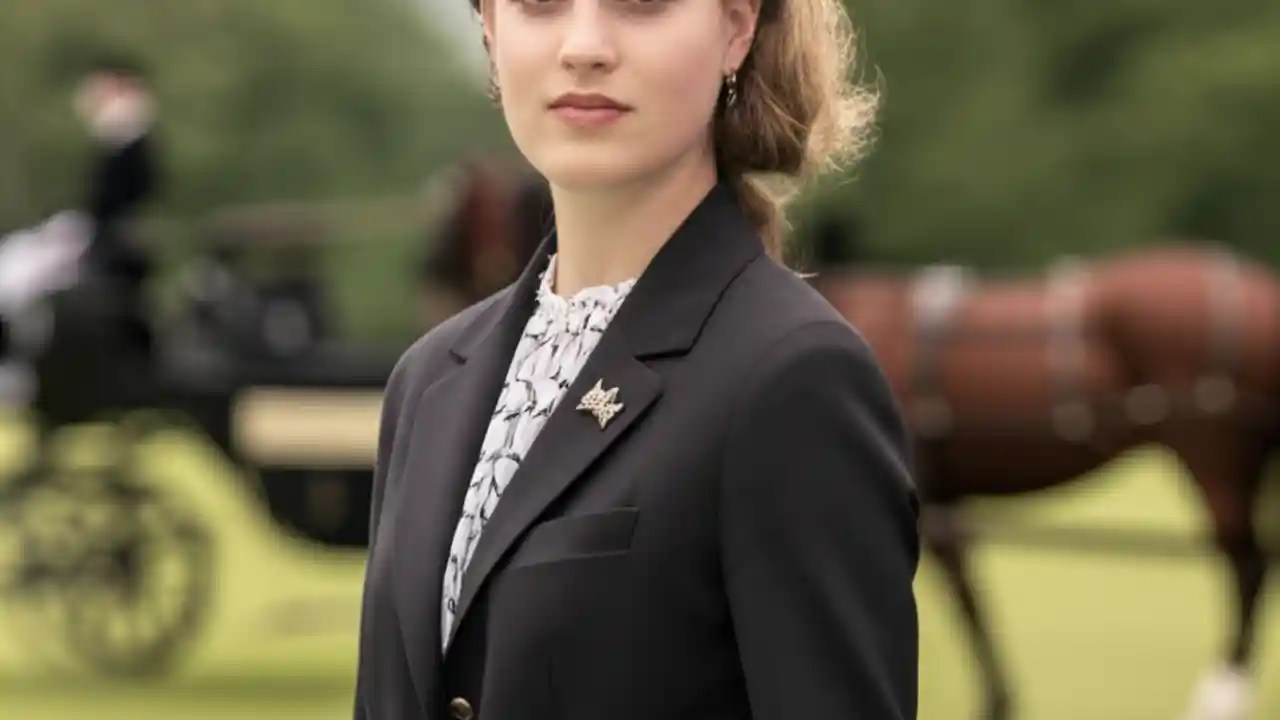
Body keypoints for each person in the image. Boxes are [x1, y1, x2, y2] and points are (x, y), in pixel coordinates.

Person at [354, 0, 919, 718]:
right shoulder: (428, 379)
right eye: (539, 3)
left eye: (642, 2)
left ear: (738, 28)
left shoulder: (795, 380)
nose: (584, 45)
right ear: (491, 28)